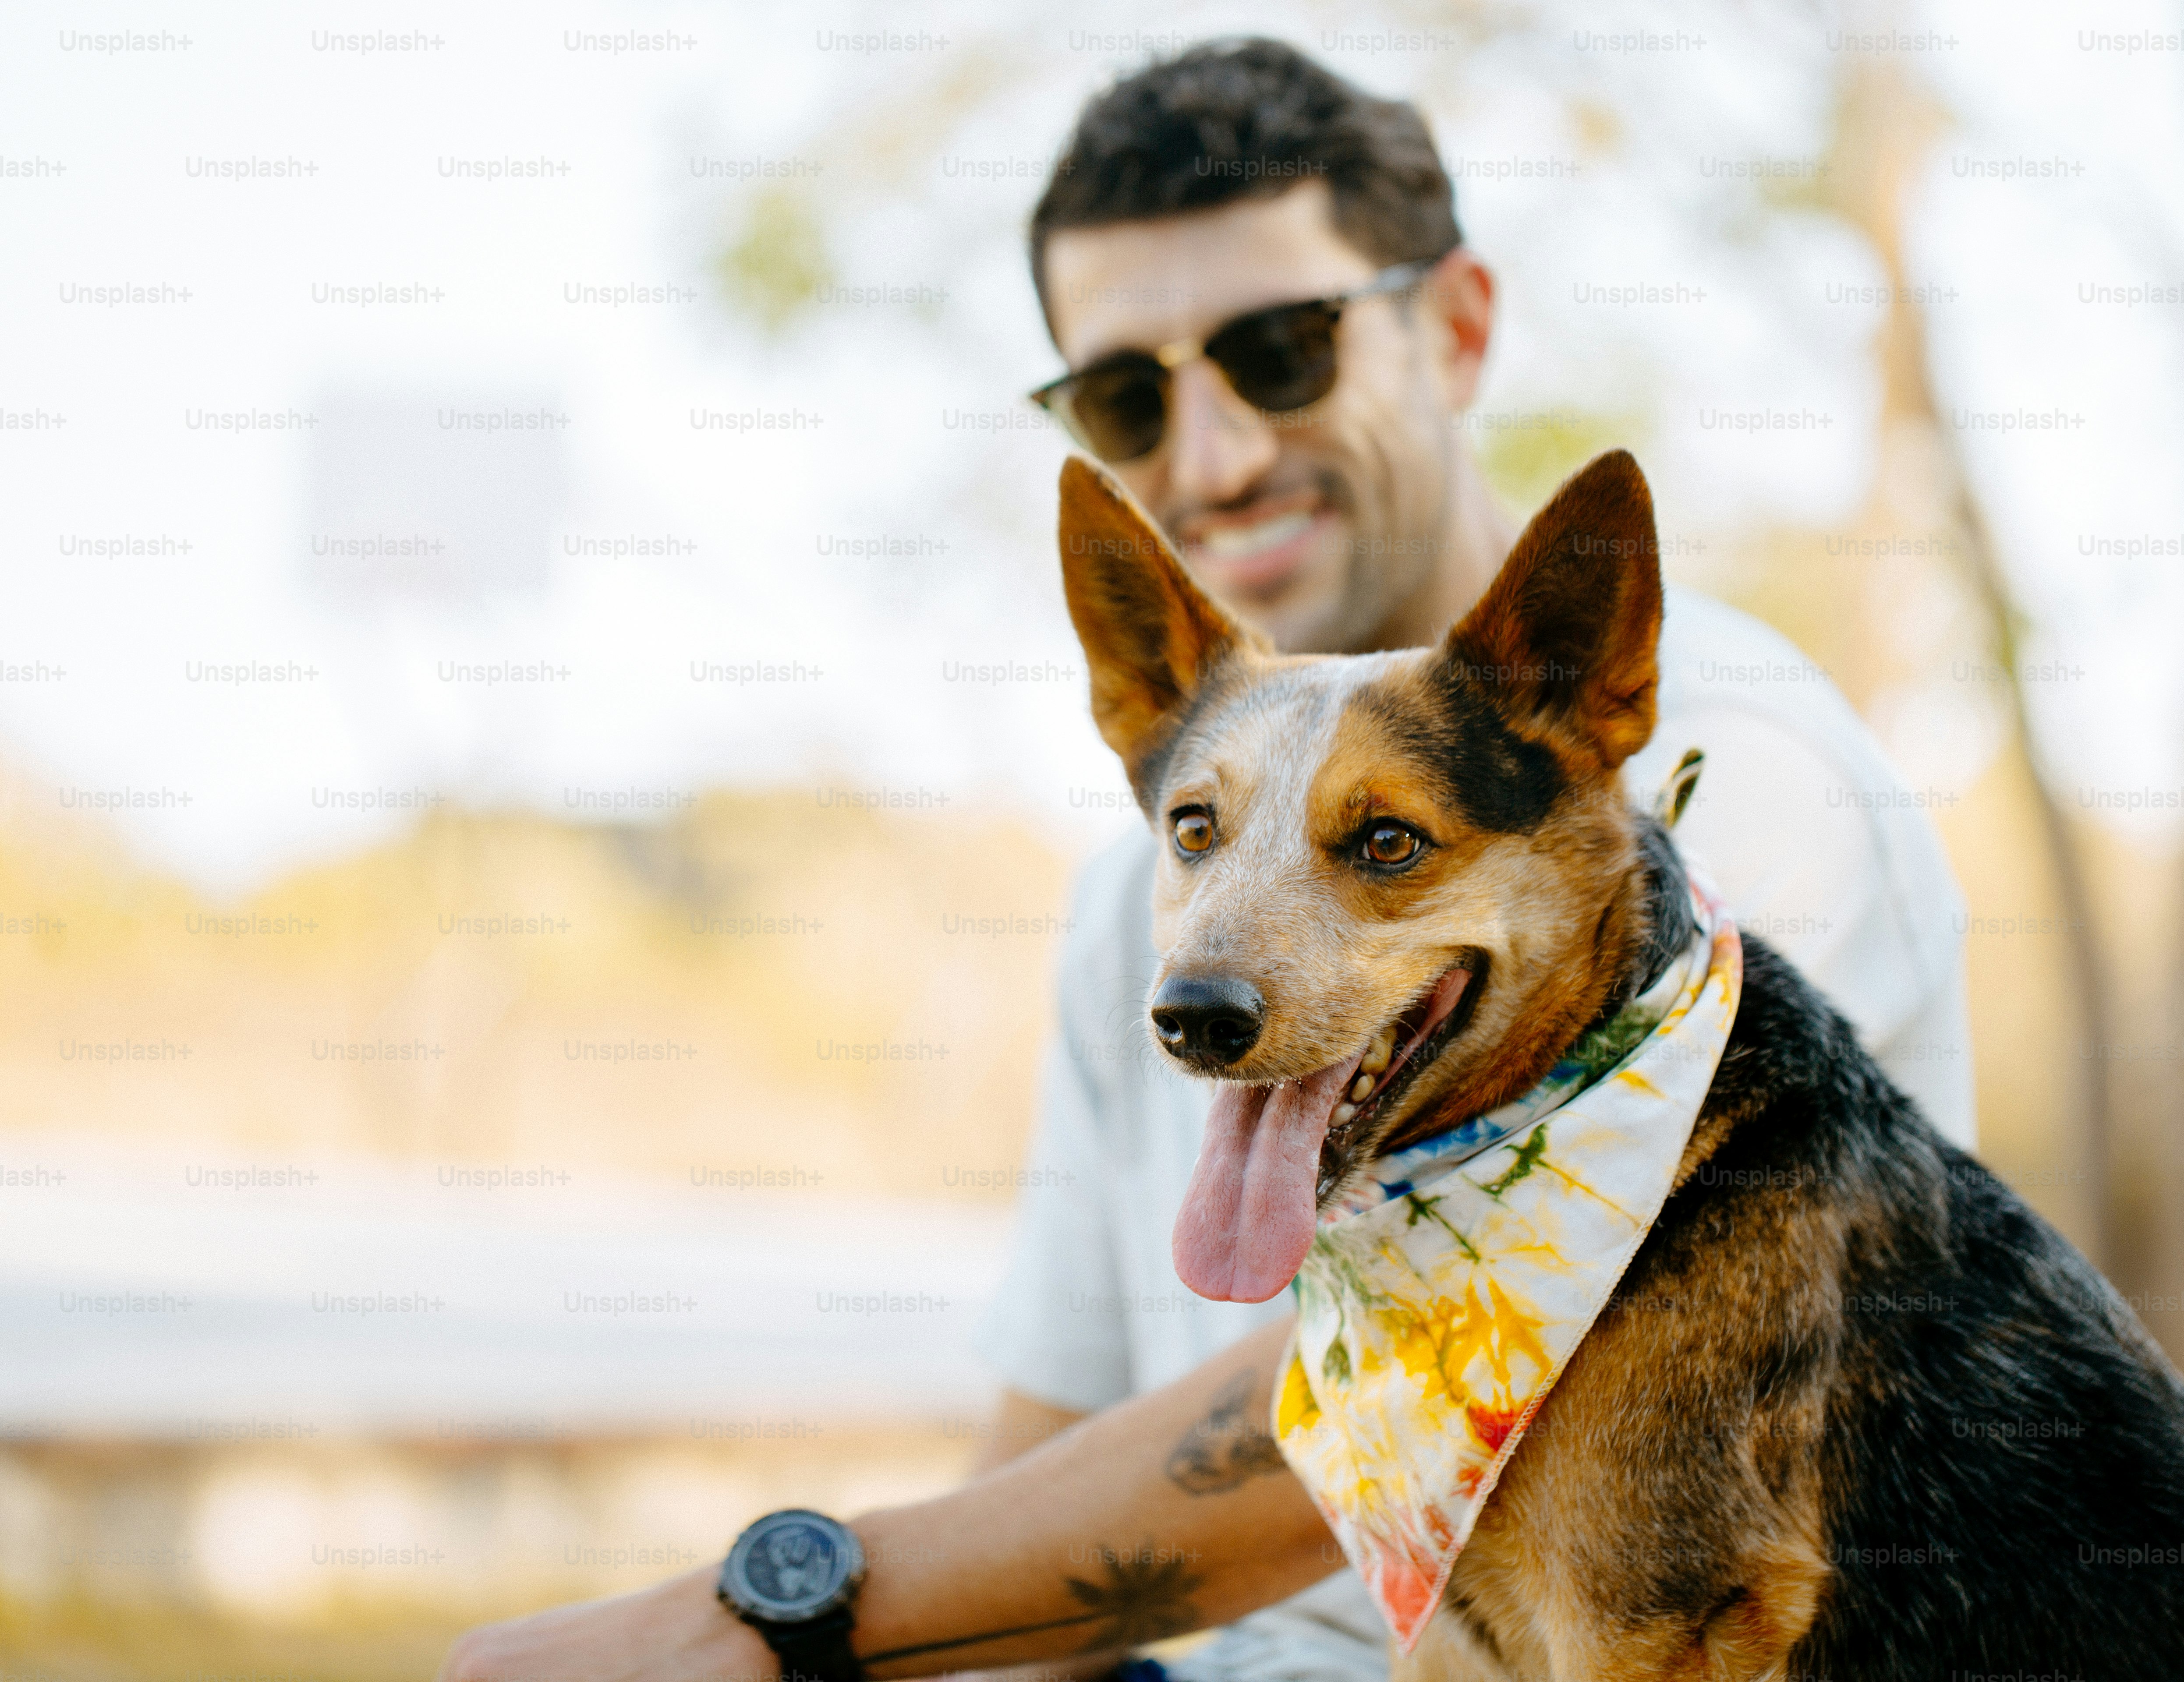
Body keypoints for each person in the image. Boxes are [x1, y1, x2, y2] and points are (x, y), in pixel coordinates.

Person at [442, 37, 1972, 1682]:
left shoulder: (1707, 791)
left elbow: (1437, 1376)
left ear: (1456, 326)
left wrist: (763, 1613)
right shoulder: (1145, 903)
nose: (1216, 452)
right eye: (1127, 396)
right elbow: (1043, 1456)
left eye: (1281, 348)